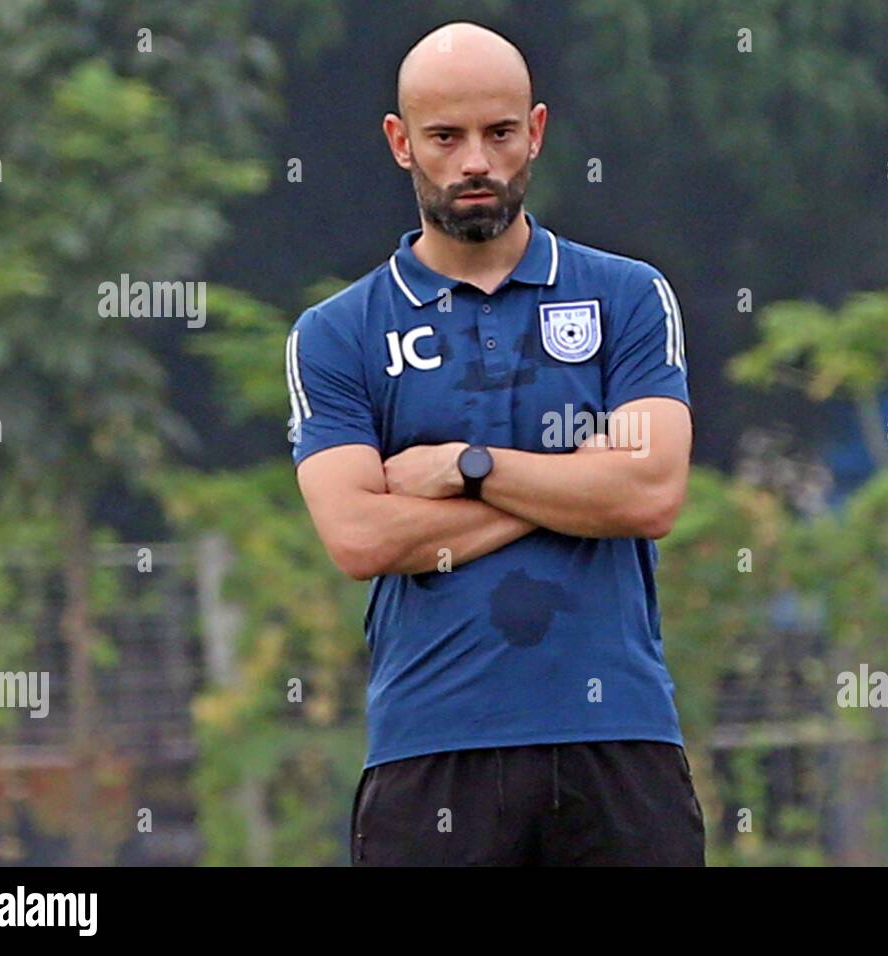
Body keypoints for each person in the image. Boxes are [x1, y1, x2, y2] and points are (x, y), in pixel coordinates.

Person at [286, 20, 702, 865]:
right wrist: (579, 490)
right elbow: (361, 537)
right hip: (430, 747)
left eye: (499, 133)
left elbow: (651, 494)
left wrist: (466, 471)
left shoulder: (627, 296)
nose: (476, 160)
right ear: (402, 144)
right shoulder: (336, 333)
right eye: (446, 137)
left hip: (617, 736)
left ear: (536, 133)